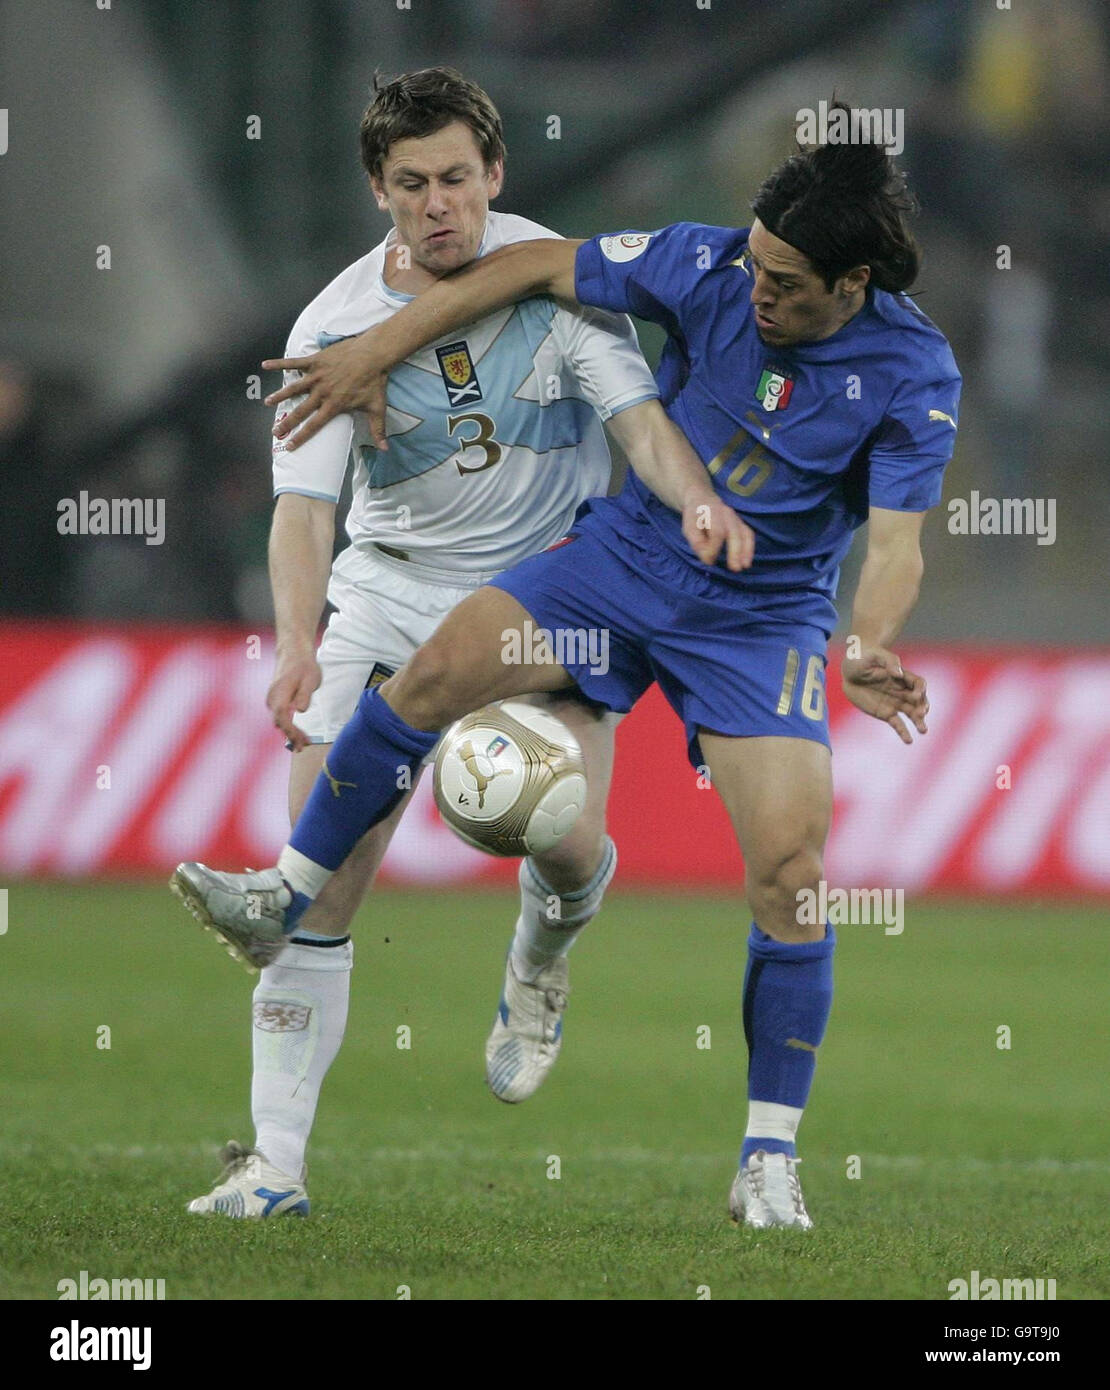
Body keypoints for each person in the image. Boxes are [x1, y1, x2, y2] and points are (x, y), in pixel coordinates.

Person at [175, 114, 960, 1230]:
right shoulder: (705, 262)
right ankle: (285, 894)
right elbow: (532, 267)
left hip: (761, 617)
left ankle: (767, 1161)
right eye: (753, 261)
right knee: (429, 678)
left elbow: (895, 544)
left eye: (784, 282)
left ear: (855, 282)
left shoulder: (913, 369)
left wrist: (872, 642)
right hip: (621, 562)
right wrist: (378, 349)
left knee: (791, 870)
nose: (755, 291)